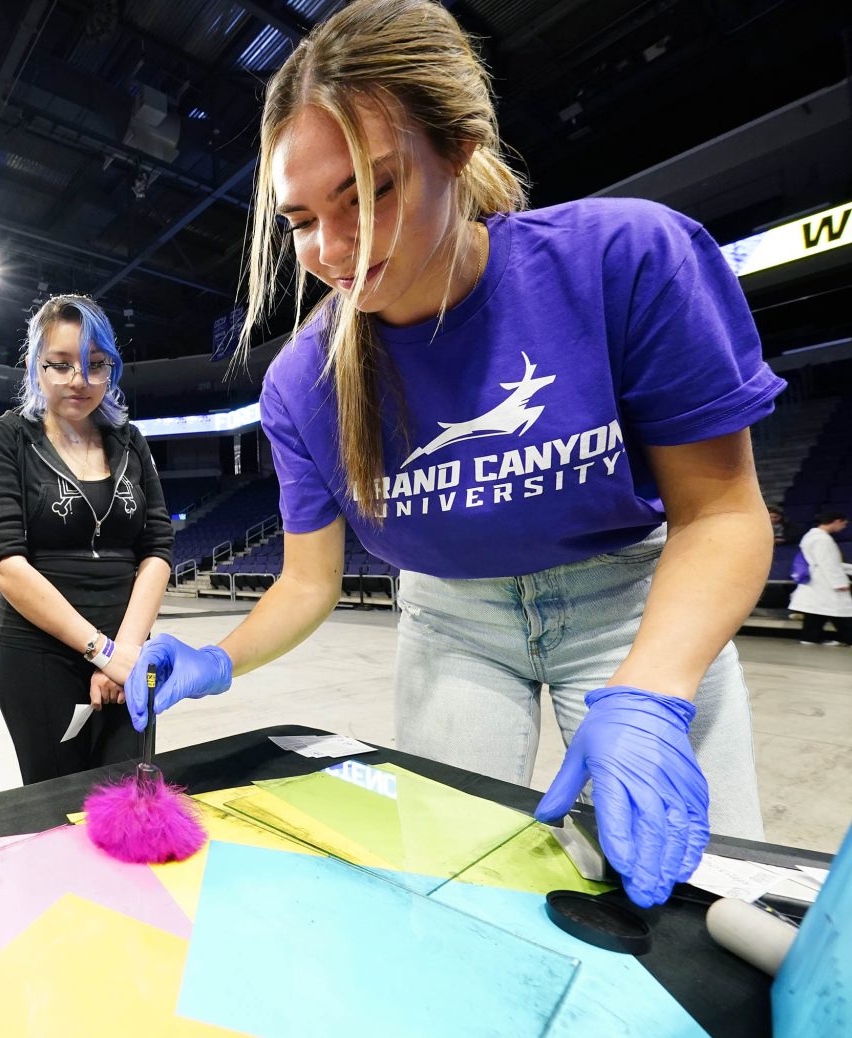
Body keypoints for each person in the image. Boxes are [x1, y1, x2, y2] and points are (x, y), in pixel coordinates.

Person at [124, 0, 782, 909]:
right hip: (450, 626)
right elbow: (310, 580)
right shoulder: (302, 383)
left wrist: (654, 689)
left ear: (461, 150)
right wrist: (221, 656)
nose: (334, 248)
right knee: (450, 884)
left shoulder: (626, 259)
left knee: (698, 895)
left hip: (632, 603)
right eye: (302, 218)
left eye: (373, 191)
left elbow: (723, 513)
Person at [0, 294, 173, 784]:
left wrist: (123, 655)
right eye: (61, 365)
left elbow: (158, 548)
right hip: (40, 657)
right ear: (34, 367)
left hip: (127, 655)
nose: (80, 381)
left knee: (129, 795)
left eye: (96, 365)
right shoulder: (8, 438)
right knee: (57, 809)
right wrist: (101, 651)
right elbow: (3, 562)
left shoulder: (130, 440)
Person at [789, 511, 852, 645]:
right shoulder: (822, 539)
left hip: (818, 580)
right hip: (825, 582)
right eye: (844, 524)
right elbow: (828, 563)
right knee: (840, 611)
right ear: (836, 521)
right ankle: (847, 638)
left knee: (816, 612)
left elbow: (829, 562)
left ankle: (809, 638)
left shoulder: (812, 536)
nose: (844, 527)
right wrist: (839, 583)